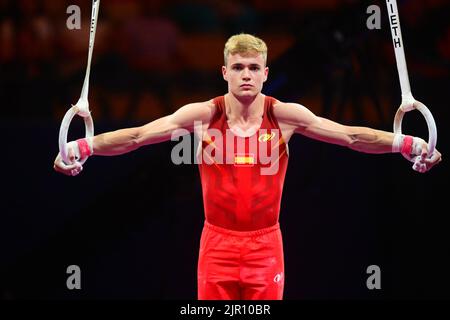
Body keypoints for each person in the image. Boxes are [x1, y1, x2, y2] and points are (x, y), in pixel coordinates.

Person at [53, 34, 442, 300]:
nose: (245, 75)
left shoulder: (285, 116)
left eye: (254, 68)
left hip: (265, 247)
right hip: (216, 246)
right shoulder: (203, 115)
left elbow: (350, 136)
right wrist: (82, 146)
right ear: (224, 72)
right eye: (238, 67)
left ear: (266, 73)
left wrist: (407, 143)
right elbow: (137, 136)